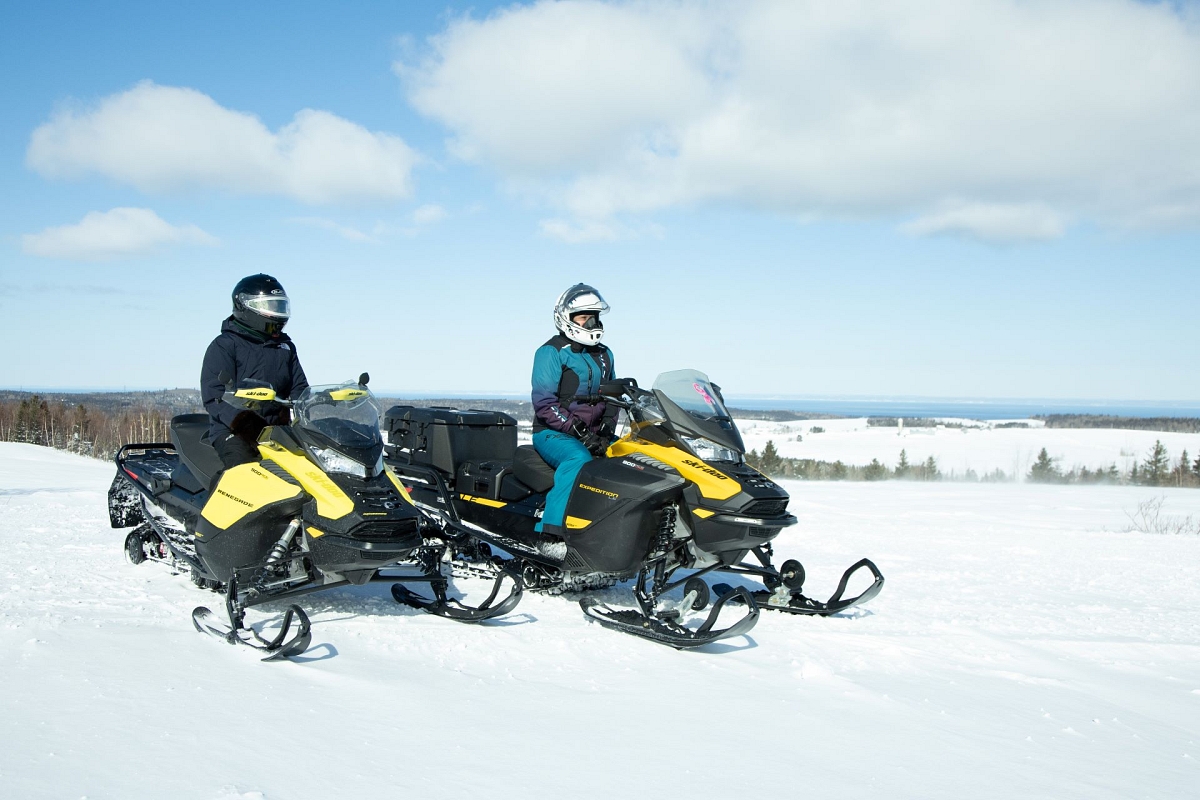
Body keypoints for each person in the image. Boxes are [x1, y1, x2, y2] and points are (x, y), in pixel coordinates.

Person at [531, 283, 618, 535]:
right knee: (577, 459)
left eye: (594, 317)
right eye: (583, 317)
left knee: (633, 458)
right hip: (552, 433)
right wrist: (580, 433)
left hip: (594, 434)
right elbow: (545, 403)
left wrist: (605, 429)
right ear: (566, 318)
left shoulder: (605, 354)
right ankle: (551, 533)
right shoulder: (552, 352)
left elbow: (613, 396)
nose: (590, 323)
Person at [201, 274, 309, 469]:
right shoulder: (225, 345)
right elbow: (215, 395)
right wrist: (250, 428)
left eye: (279, 306)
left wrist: (317, 408)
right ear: (246, 306)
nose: (277, 313)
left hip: (278, 432)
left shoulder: (285, 347)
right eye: (271, 307)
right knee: (245, 475)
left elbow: (300, 388)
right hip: (234, 431)